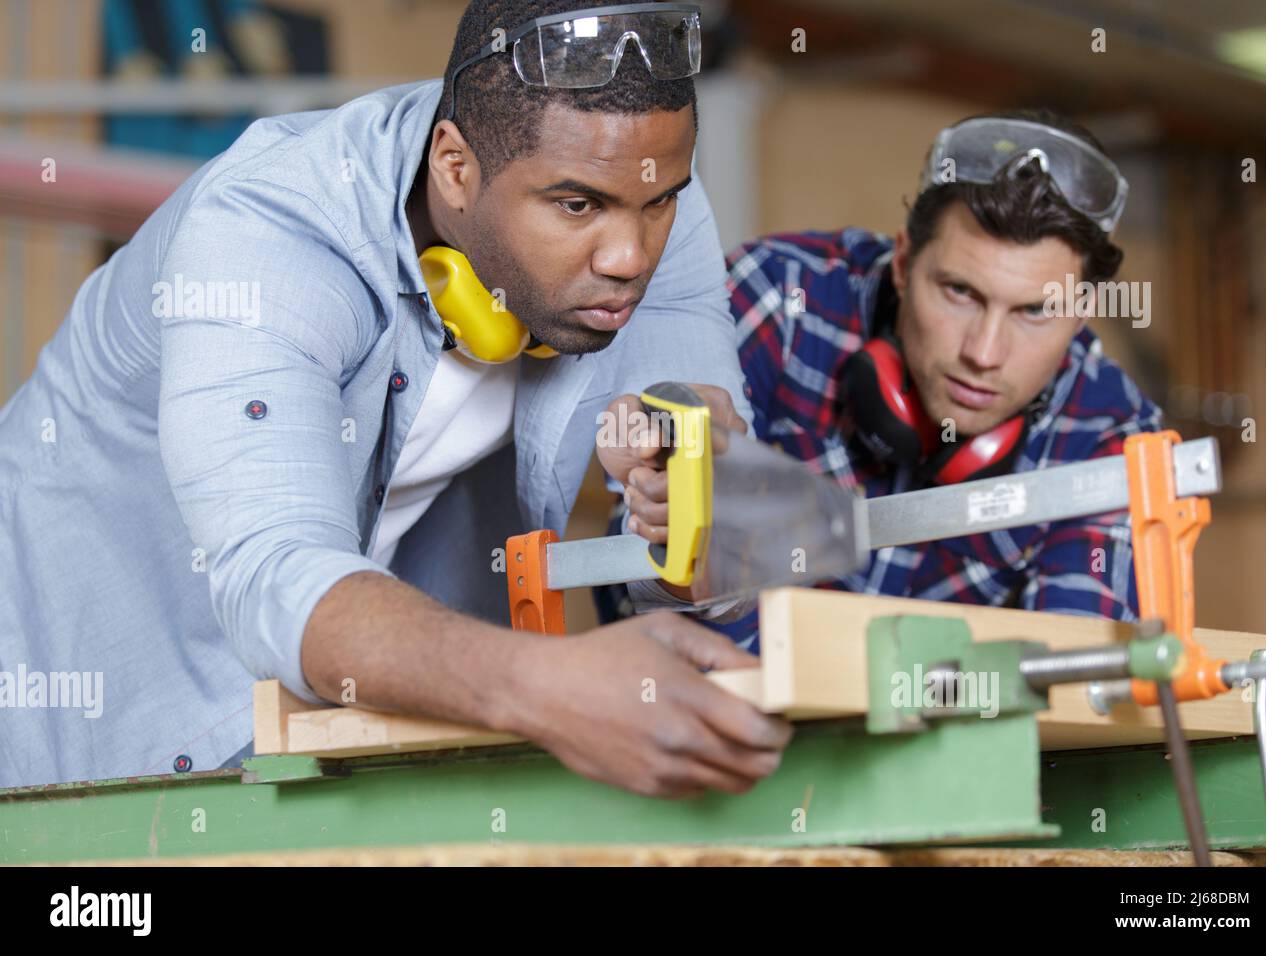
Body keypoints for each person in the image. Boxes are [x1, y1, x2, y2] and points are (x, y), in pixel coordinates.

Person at [0, 0, 791, 794]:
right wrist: (553, 685)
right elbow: (280, 576)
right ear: (454, 166)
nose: (630, 256)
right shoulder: (264, 238)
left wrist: (692, 522)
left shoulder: (645, 199)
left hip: (330, 720)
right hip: (75, 693)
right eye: (577, 206)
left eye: (660, 202)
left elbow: (705, 547)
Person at [611, 110, 1162, 650]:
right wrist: (682, 538)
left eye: (1035, 311)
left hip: (955, 737)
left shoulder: (1110, 432)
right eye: (960, 292)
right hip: (724, 724)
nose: (984, 354)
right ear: (902, 262)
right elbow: (629, 590)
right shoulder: (783, 300)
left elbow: (1077, 678)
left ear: (1084, 308)